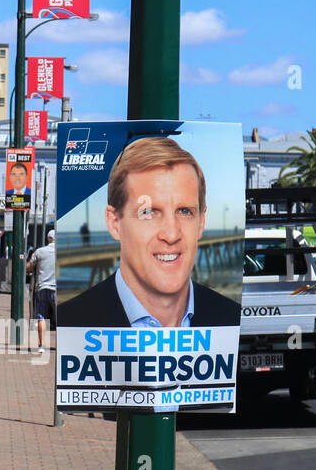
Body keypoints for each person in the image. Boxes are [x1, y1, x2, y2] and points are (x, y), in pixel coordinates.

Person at [57, 136, 240, 329]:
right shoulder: (72, 322)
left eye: (185, 211)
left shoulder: (229, 318)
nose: (171, 235)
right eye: (149, 212)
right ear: (114, 222)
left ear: (201, 222)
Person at [26, 229, 56, 352]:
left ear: (48, 239)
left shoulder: (40, 252)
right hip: (56, 289)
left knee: (41, 316)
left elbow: (28, 267)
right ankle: (63, 345)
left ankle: (41, 345)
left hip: (42, 288)